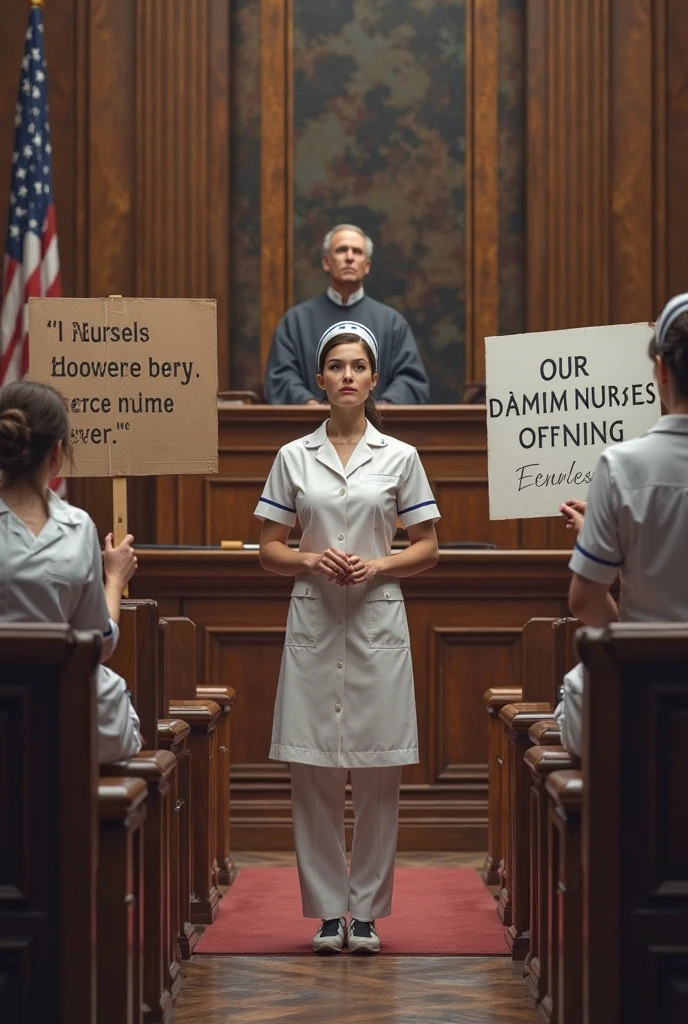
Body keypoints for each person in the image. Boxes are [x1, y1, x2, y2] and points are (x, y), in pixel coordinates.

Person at [255, 320, 439, 954]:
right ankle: (328, 912)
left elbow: (428, 547)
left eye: (358, 366)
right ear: (319, 378)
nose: (347, 376)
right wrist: (309, 560)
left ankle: (366, 913)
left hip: (376, 616)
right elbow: (269, 550)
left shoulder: (401, 457)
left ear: (374, 377)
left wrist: (378, 565)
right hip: (312, 618)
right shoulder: (291, 456)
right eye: (336, 366)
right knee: (312, 774)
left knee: (378, 772)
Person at [555, 294, 688, 756]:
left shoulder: (621, 467)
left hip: (642, 692)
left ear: (662, 372)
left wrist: (636, 645)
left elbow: (585, 600)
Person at [0, 379, 142, 764]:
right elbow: (98, 644)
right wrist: (114, 580)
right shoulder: (78, 528)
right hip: (67, 718)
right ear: (57, 453)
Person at [264, 223, 430, 405]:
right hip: (310, 429)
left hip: (377, 428)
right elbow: (280, 377)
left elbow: (410, 380)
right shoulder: (295, 322)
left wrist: (383, 407)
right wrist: (309, 404)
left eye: (357, 252)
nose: (349, 257)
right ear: (326, 262)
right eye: (342, 250)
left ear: (366, 266)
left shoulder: (392, 323)